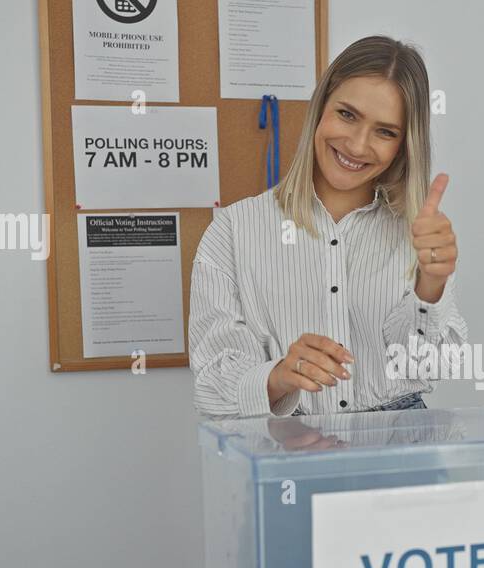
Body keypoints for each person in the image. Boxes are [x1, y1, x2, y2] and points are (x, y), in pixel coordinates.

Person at [189, 35, 468, 419]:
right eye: (347, 115)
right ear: (320, 108)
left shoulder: (420, 234)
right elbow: (212, 384)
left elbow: (430, 365)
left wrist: (431, 286)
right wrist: (279, 377)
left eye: (385, 131)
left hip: (404, 440)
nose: (356, 145)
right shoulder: (233, 231)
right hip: (288, 444)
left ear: (404, 145)